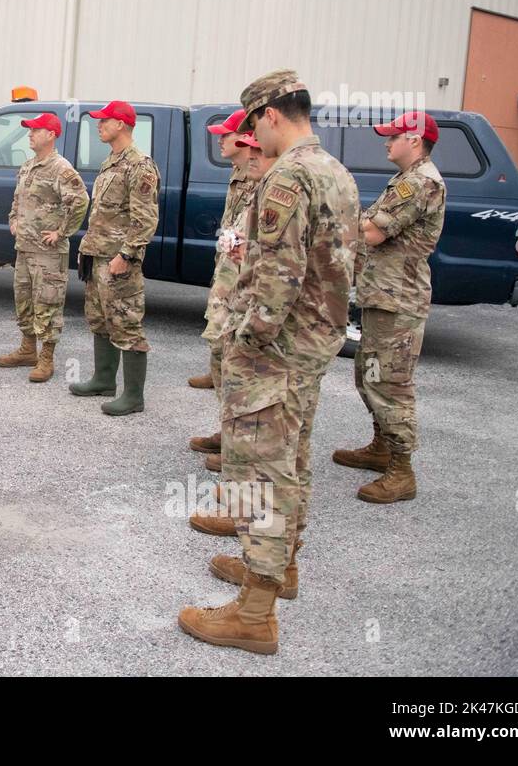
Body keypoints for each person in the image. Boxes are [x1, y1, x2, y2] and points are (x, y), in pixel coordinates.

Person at [179, 70, 359, 655]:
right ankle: (282, 571)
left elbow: (279, 276)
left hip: (275, 351)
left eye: (255, 121)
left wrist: (245, 342)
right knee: (293, 461)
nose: (255, 132)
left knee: (261, 474)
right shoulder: (336, 171)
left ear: (272, 115)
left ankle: (254, 615)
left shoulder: (289, 177)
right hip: (311, 346)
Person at [333, 112, 445, 503]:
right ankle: (381, 447)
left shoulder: (420, 182)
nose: (386, 142)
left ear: (415, 140)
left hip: (400, 300)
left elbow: (373, 231)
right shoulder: (404, 179)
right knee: (369, 375)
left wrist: (340, 223)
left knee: (392, 384)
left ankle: (402, 471)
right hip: (383, 295)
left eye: (394, 136)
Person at [67, 100, 160, 415]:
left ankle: (134, 397)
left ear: (121, 124)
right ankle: (104, 380)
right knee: (100, 320)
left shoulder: (139, 165)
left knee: (126, 323)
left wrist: (127, 254)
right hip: (98, 255)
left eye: (104, 120)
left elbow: (144, 219)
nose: (99, 125)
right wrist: (88, 250)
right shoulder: (112, 161)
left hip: (118, 260)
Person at [0, 112, 88, 381]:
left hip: (48, 253)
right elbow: (17, 198)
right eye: (30, 130)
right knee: (23, 300)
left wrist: (62, 232)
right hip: (24, 248)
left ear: (51, 134)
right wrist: (13, 219)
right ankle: (27, 349)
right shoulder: (27, 166)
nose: (30, 134)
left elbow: (80, 200)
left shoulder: (60, 168)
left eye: (35, 130)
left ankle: (46, 357)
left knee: (47, 303)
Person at [188, 110, 256, 457]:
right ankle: (228, 430)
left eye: (226, 134)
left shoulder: (261, 178)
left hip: (244, 287)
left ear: (245, 138)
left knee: (236, 366)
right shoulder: (238, 174)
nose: (220, 139)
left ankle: (239, 445)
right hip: (227, 281)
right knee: (219, 355)